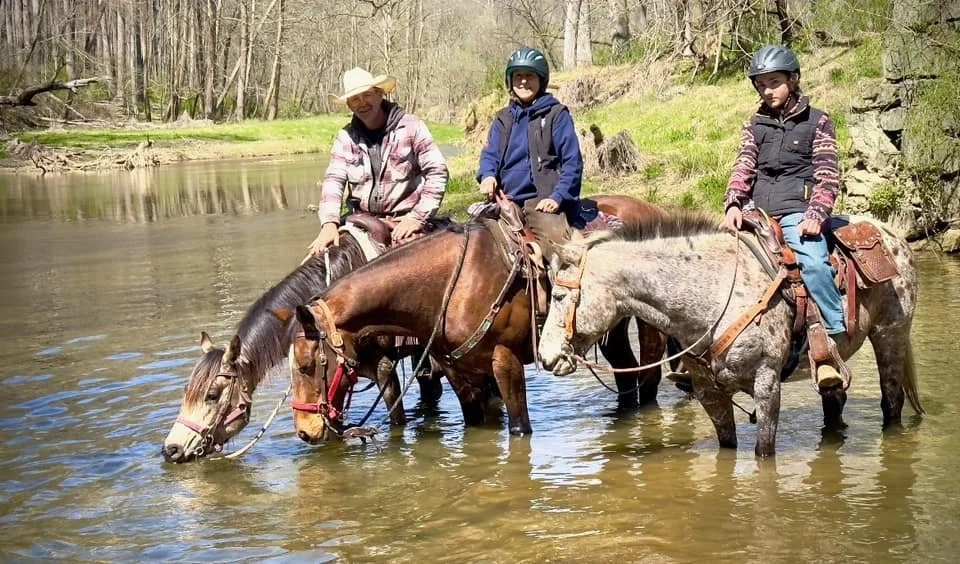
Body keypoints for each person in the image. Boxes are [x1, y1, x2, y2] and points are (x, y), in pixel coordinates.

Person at [721, 44, 846, 389]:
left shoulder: (818, 121)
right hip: (756, 212)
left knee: (815, 263)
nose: (767, 90)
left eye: (774, 82)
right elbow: (744, 165)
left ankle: (834, 341)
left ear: (793, 80)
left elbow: (826, 175)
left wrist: (816, 214)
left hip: (796, 212)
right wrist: (733, 202)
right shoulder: (755, 124)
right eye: (761, 84)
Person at [308, 67, 448, 255]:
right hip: (361, 222)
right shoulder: (346, 137)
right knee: (323, 261)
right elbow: (334, 180)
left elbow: (437, 172)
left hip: (405, 219)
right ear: (349, 104)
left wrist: (418, 217)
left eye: (367, 95)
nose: (362, 103)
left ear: (380, 94)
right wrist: (329, 223)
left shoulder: (411, 126)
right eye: (355, 99)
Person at [476, 47, 588, 229]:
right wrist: (487, 175)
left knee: (557, 248)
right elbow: (490, 154)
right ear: (510, 80)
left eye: (530, 76)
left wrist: (558, 197)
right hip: (505, 199)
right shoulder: (502, 119)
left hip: (543, 201)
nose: (524, 81)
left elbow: (572, 163)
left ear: (541, 81)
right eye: (518, 76)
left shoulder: (556, 115)